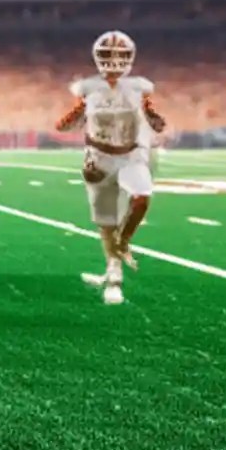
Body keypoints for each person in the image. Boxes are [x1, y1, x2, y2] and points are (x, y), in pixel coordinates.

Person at [56, 30, 166, 306]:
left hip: (131, 155)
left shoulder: (140, 88)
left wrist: (153, 117)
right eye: (109, 55)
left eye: (120, 55)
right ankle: (114, 274)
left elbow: (157, 122)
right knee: (106, 222)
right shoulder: (88, 89)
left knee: (141, 197)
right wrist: (75, 114)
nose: (114, 60)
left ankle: (124, 241)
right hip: (99, 156)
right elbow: (65, 124)